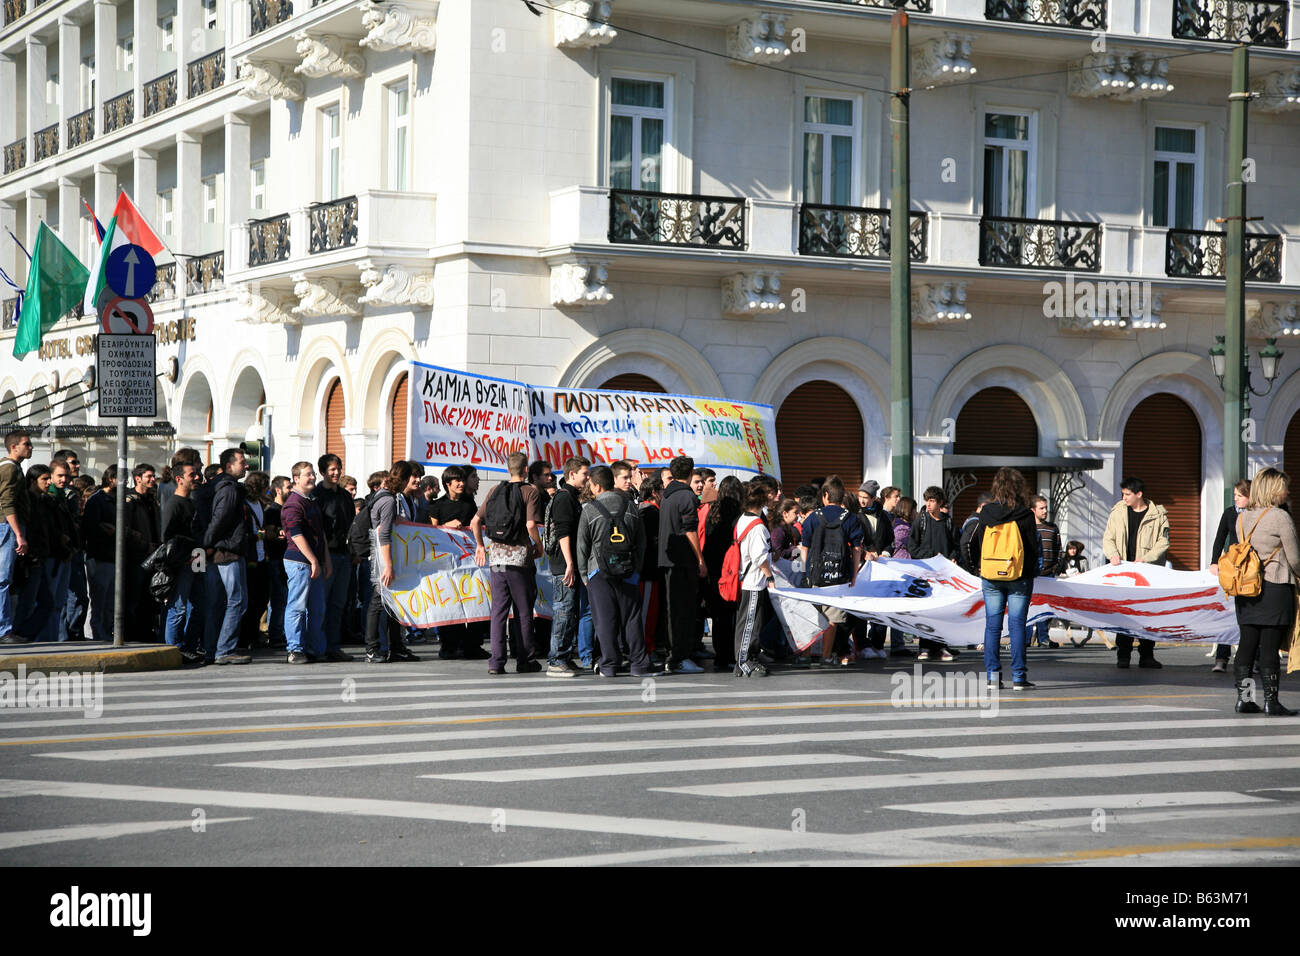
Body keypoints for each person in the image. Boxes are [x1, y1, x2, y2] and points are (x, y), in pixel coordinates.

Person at [1231, 468, 1300, 716]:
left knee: (1247, 644)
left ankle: (1245, 699)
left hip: (1247, 588)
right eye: (1283, 487)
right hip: (1275, 586)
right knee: (1269, 646)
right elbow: (1294, 558)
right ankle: (1272, 701)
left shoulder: (1242, 518)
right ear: (1273, 489)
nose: (1287, 492)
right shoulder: (1280, 517)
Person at [575, 464, 655, 678]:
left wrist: (584, 574)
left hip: (598, 573)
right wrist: (636, 568)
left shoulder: (590, 510)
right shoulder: (630, 507)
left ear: (597, 486)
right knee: (631, 618)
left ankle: (609, 665)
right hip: (628, 570)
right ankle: (639, 663)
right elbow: (641, 541)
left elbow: (582, 546)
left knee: (604, 619)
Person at [472, 452, 545, 675]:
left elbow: (475, 521)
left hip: (497, 560)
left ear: (508, 469)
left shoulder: (495, 490)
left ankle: (496, 662)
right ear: (525, 471)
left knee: (498, 612)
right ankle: (526, 660)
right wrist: (538, 544)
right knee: (523, 611)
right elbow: (531, 523)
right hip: (519, 560)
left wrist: (480, 546)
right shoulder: (530, 491)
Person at [971, 467, 1041, 691]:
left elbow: (975, 542)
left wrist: (978, 566)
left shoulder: (986, 512)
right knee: (1017, 625)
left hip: (991, 574)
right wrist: (1032, 572)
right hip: (1019, 575)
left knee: (993, 627)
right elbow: (1032, 547)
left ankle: (993, 676)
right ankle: (1019, 677)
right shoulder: (1025, 514)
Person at [1102, 476, 1169, 668]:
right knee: (1124, 613)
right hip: (1124, 572)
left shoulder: (1158, 515)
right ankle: (1123, 655)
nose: (1124, 498)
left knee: (1147, 614)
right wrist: (1113, 554)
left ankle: (1147, 654)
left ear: (1139, 494)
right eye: (1123, 494)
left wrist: (1145, 559)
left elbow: (1163, 542)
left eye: (1128, 494)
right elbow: (1108, 538)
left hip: (1148, 573)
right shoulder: (1117, 512)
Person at [800, 475, 865, 667]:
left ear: (826, 495)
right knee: (833, 619)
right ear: (842, 496)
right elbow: (856, 549)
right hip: (839, 576)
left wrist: (807, 571)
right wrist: (854, 575)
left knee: (811, 615)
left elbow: (804, 547)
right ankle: (827, 656)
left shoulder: (813, 517)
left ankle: (805, 655)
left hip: (815, 576)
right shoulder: (850, 519)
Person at [364, 461, 422, 664]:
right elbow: (384, 534)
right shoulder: (388, 500)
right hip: (383, 556)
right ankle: (372, 648)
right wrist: (388, 565)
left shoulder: (384, 496)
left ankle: (396, 646)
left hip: (386, 554)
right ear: (405, 479)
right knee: (378, 602)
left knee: (393, 603)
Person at [428, 464, 488, 660]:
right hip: (445, 564)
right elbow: (430, 532)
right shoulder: (437, 505)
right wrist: (447, 526)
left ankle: (472, 645)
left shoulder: (469, 503)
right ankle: (448, 646)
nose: (462, 484)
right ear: (448, 484)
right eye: (458, 481)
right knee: (448, 605)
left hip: (468, 561)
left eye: (463, 480)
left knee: (473, 600)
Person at [202, 448, 254, 665]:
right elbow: (219, 519)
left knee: (220, 602)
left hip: (224, 551)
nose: (247, 466)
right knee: (236, 601)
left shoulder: (222, 486)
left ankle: (213, 648)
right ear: (229, 465)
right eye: (242, 462)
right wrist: (208, 544)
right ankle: (224, 650)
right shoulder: (229, 489)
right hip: (227, 553)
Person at [659, 456, 707, 674]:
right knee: (684, 610)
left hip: (668, 561)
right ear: (690, 473)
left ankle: (674, 655)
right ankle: (680, 657)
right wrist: (700, 559)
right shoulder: (686, 496)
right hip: (683, 561)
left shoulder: (667, 495)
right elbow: (690, 530)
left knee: (673, 610)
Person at [282, 462, 332, 664]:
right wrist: (313, 560)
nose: (312, 477)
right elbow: (296, 535)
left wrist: (325, 559)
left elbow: (320, 533)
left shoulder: (311, 501)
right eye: (307, 475)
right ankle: (295, 649)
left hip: (314, 562)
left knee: (317, 608)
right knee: (297, 607)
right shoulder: (293, 503)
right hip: (299, 562)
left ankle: (315, 648)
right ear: (296, 478)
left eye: (312, 474)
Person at [544, 456, 589, 677]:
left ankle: (564, 656)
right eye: (584, 474)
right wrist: (570, 563)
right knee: (563, 611)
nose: (587, 478)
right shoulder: (564, 498)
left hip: (569, 563)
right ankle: (556, 660)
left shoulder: (572, 497)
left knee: (570, 612)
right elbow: (563, 532)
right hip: (564, 565)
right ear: (572, 474)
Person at [312, 454, 357, 662]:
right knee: (320, 603)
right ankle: (315, 646)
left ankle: (332, 646)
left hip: (343, 555)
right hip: (324, 556)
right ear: (322, 472)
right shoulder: (316, 495)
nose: (336, 472)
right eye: (331, 469)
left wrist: (354, 551)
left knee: (338, 604)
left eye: (338, 468)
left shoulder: (345, 497)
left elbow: (351, 526)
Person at [908, 486, 959, 662]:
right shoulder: (920, 521)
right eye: (927, 501)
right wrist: (929, 558)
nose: (928, 504)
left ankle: (942, 646)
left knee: (943, 610)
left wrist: (952, 557)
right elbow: (912, 546)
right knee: (926, 611)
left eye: (932, 501)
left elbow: (956, 545)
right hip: (925, 574)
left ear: (940, 503)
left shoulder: (948, 522)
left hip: (944, 575)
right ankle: (925, 646)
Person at [160, 461, 203, 665]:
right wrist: (178, 561)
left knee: (198, 604)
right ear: (179, 479)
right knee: (178, 606)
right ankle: (173, 648)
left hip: (197, 558)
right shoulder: (174, 504)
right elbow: (166, 537)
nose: (197, 477)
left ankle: (189, 646)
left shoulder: (193, 502)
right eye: (192, 474)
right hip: (182, 561)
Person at [701, 476, 743, 671]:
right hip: (734, 572)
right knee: (734, 614)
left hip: (715, 572)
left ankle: (720, 655)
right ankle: (733, 654)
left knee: (718, 617)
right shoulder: (740, 517)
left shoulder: (712, 514)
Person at [734, 482, 776, 677]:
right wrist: (770, 575)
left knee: (752, 622)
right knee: (749, 623)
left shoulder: (743, 519)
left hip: (748, 579)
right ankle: (743, 661)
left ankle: (749, 658)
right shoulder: (757, 526)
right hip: (753, 581)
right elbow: (759, 557)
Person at [1210, 480, 1251, 673]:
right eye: (1235, 495)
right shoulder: (1229, 513)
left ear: (1250, 496)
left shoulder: (1257, 514)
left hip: (1250, 568)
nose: (1236, 499)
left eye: (1240, 495)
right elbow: (1220, 537)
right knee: (1227, 611)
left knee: (1250, 612)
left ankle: (1254, 657)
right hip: (1231, 566)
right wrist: (1214, 561)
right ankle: (1222, 657)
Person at [0, 431, 32, 643]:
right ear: (14, 447)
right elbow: (7, 501)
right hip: (7, 526)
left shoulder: (12, 467)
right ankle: (4, 630)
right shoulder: (10, 469)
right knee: (3, 578)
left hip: (8, 526)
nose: (31, 447)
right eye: (26, 444)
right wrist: (19, 534)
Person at [40, 460, 77, 643]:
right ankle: (48, 638)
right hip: (53, 556)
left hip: (64, 554)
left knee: (60, 601)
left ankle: (56, 637)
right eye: (59, 475)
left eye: (66, 476)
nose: (63, 479)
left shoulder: (63, 497)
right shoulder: (49, 498)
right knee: (51, 600)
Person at [123, 463, 161, 642]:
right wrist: (144, 544)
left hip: (152, 556)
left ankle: (146, 631)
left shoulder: (151, 500)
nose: (152, 480)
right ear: (138, 478)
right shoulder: (130, 500)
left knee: (149, 597)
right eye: (148, 477)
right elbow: (126, 529)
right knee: (134, 598)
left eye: (153, 476)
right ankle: (132, 633)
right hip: (137, 556)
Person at [81, 465, 117, 643]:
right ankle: (94, 633)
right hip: (100, 556)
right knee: (98, 599)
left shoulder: (118, 500)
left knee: (110, 600)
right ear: (111, 479)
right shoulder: (97, 500)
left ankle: (106, 631)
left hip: (114, 556)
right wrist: (105, 529)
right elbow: (89, 528)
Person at [1031, 494, 1063, 649]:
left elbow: (1059, 550)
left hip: (1048, 573)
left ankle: (1043, 637)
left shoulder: (1052, 527)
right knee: (1029, 607)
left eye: (1046, 508)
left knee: (1045, 607)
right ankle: (1025, 639)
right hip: (1031, 574)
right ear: (1033, 510)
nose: (1045, 511)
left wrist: (1055, 567)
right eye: (1041, 508)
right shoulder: (1028, 528)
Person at [264, 475, 290, 648]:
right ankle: (275, 635)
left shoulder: (287, 509)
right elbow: (269, 535)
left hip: (285, 559)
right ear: (278, 490)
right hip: (275, 559)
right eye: (288, 487)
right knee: (279, 599)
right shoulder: (272, 511)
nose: (291, 489)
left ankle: (277, 632)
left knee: (282, 598)